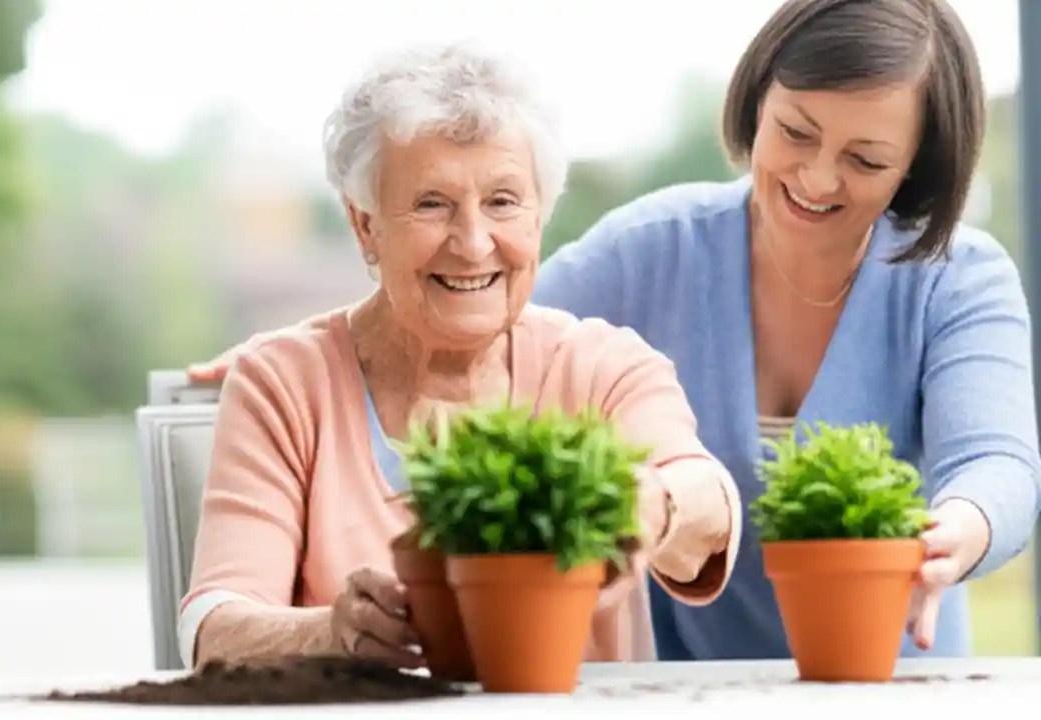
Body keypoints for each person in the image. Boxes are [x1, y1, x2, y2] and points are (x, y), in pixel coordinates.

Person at [187, 0, 1041, 663]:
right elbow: (479, 309)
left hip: (882, 672)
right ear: (758, 102)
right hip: (686, 685)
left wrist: (951, 531)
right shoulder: (652, 250)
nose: (818, 176)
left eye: (864, 160)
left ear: (916, 165)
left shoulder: (957, 279)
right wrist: (301, 363)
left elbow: (995, 463)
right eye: (796, 133)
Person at [177, 44, 743, 671]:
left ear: (539, 216)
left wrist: (654, 502)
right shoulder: (282, 382)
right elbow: (216, 630)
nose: (473, 244)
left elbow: (708, 508)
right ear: (365, 224)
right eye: (431, 204)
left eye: (503, 201)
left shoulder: (602, 366)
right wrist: (332, 634)